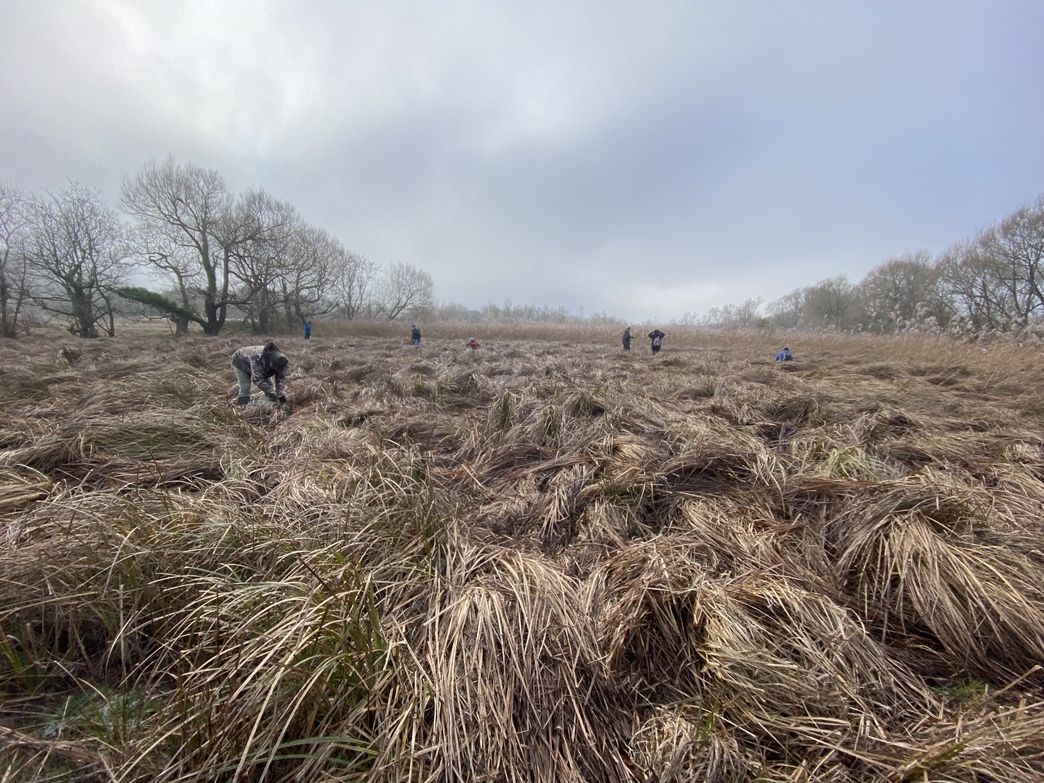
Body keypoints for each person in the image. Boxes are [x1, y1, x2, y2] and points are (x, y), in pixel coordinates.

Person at [231, 341, 289, 410]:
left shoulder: (283, 362)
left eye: (278, 368)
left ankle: (271, 404)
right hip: (240, 362)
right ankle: (243, 406)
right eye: (274, 367)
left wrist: (280, 394)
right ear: (270, 361)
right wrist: (272, 392)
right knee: (245, 386)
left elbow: (280, 378)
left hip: (260, 366)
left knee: (269, 385)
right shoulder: (257, 357)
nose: (276, 370)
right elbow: (257, 379)